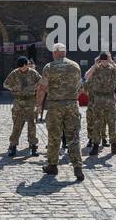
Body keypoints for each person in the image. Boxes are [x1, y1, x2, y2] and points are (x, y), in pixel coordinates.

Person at [36, 43, 84, 182]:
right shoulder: (75, 66)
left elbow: (42, 88)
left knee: (54, 136)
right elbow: (80, 88)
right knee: (74, 136)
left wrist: (38, 104)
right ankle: (77, 167)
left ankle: (52, 165)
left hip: (55, 105)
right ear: (65, 52)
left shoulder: (49, 67)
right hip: (72, 104)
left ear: (55, 52)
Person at [84, 52, 116, 155]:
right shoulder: (96, 68)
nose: (104, 61)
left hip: (109, 97)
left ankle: (114, 146)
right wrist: (94, 64)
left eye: (106, 59)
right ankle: (95, 146)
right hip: (98, 98)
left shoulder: (112, 68)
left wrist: (112, 62)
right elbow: (86, 76)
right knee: (97, 123)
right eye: (103, 59)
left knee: (112, 122)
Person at [3, 56, 41, 157]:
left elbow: (41, 82)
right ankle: (13, 146)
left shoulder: (33, 73)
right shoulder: (14, 73)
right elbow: (5, 84)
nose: (22, 68)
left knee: (32, 125)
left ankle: (33, 145)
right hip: (19, 103)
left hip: (30, 102)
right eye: (20, 67)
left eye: (23, 66)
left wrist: (35, 87)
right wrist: (14, 88)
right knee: (17, 125)